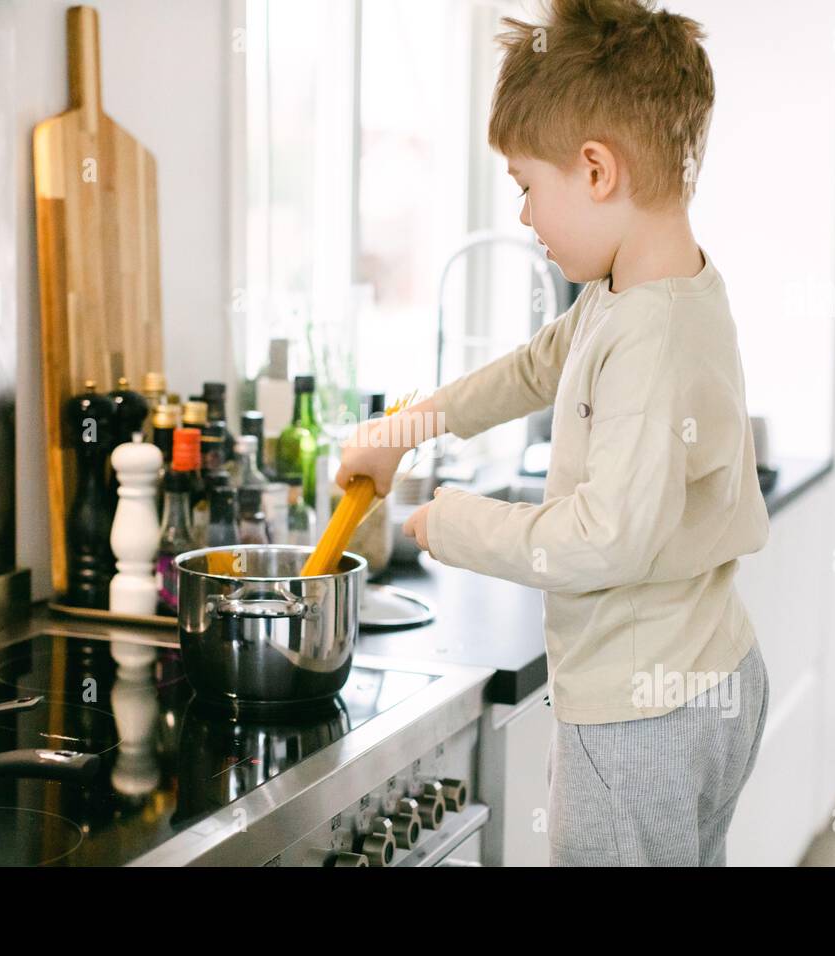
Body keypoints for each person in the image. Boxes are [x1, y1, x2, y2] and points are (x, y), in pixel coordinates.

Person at [336, 0, 772, 866]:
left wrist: (451, 523)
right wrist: (405, 429)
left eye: (528, 186)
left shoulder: (647, 340)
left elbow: (603, 539)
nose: (527, 216)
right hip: (710, 672)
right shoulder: (645, 290)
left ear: (597, 169)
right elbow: (537, 367)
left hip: (642, 714)